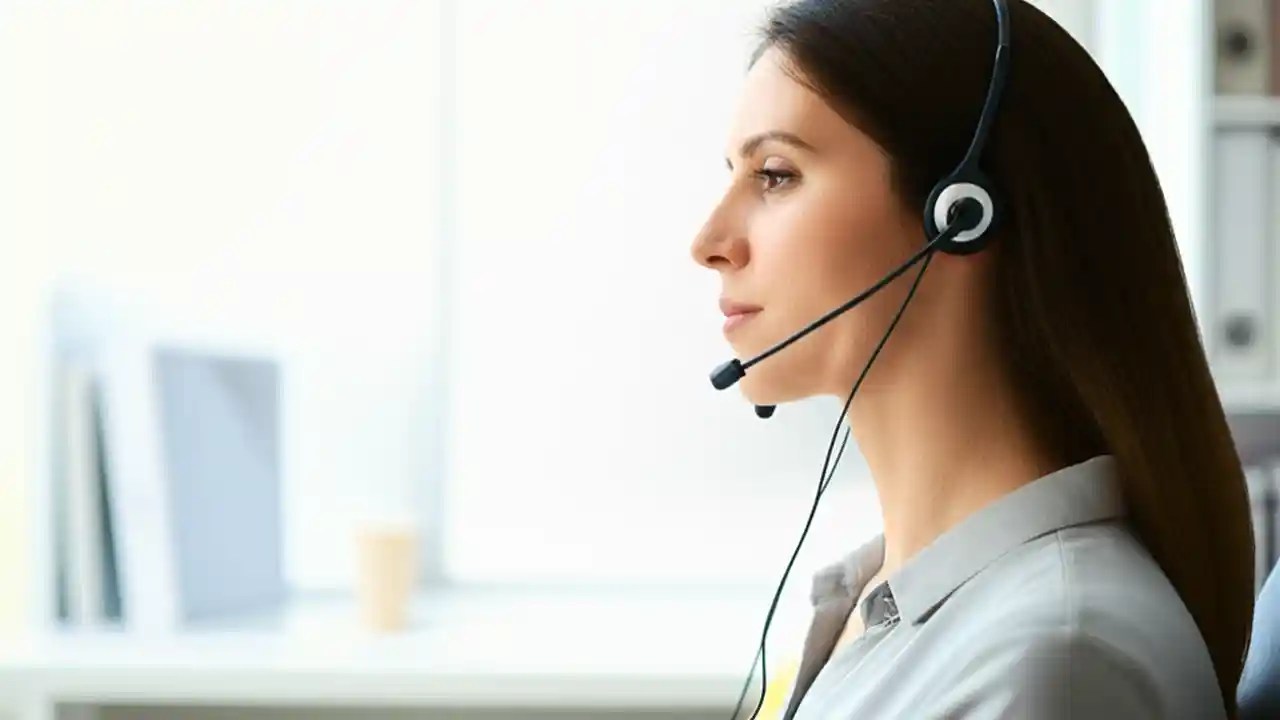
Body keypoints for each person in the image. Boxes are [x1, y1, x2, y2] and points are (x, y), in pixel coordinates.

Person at [689, 0, 1255, 718]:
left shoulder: (1052, 663)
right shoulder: (882, 606)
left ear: (960, 213)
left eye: (775, 174)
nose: (709, 242)